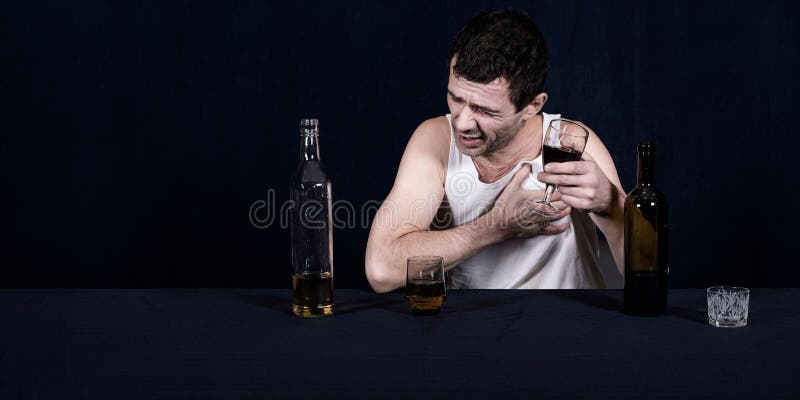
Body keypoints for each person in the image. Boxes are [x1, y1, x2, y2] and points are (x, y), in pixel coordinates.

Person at [365, 9, 625, 292]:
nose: (462, 122)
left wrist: (611, 206)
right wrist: (496, 226)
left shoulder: (569, 140)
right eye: (455, 98)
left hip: (568, 324)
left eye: (484, 110)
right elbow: (381, 269)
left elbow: (647, 269)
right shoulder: (436, 139)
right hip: (473, 326)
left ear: (533, 106)